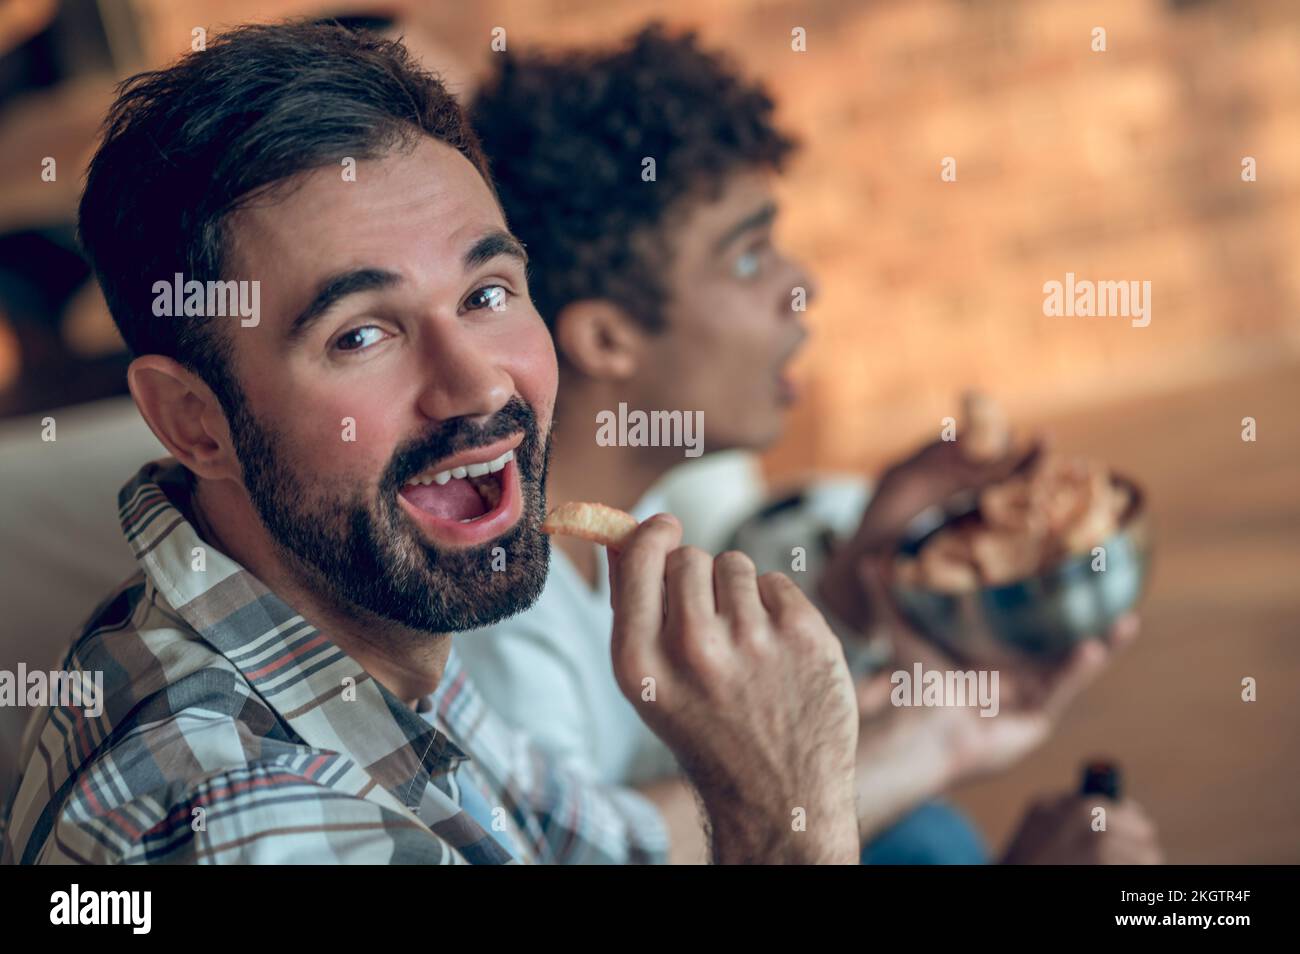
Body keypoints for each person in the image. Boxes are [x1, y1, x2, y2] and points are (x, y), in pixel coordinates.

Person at [0, 21, 865, 865]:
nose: (481, 384)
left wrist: (800, 739)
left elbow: (596, 845)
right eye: (361, 336)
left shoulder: (366, 634)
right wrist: (784, 818)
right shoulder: (253, 822)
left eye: (487, 294)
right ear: (192, 419)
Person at [458, 25, 1162, 864]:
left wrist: (860, 574)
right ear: (608, 339)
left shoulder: (638, 521)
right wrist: (931, 751)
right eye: (750, 257)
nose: (804, 284)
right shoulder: (502, 630)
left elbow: (686, 758)